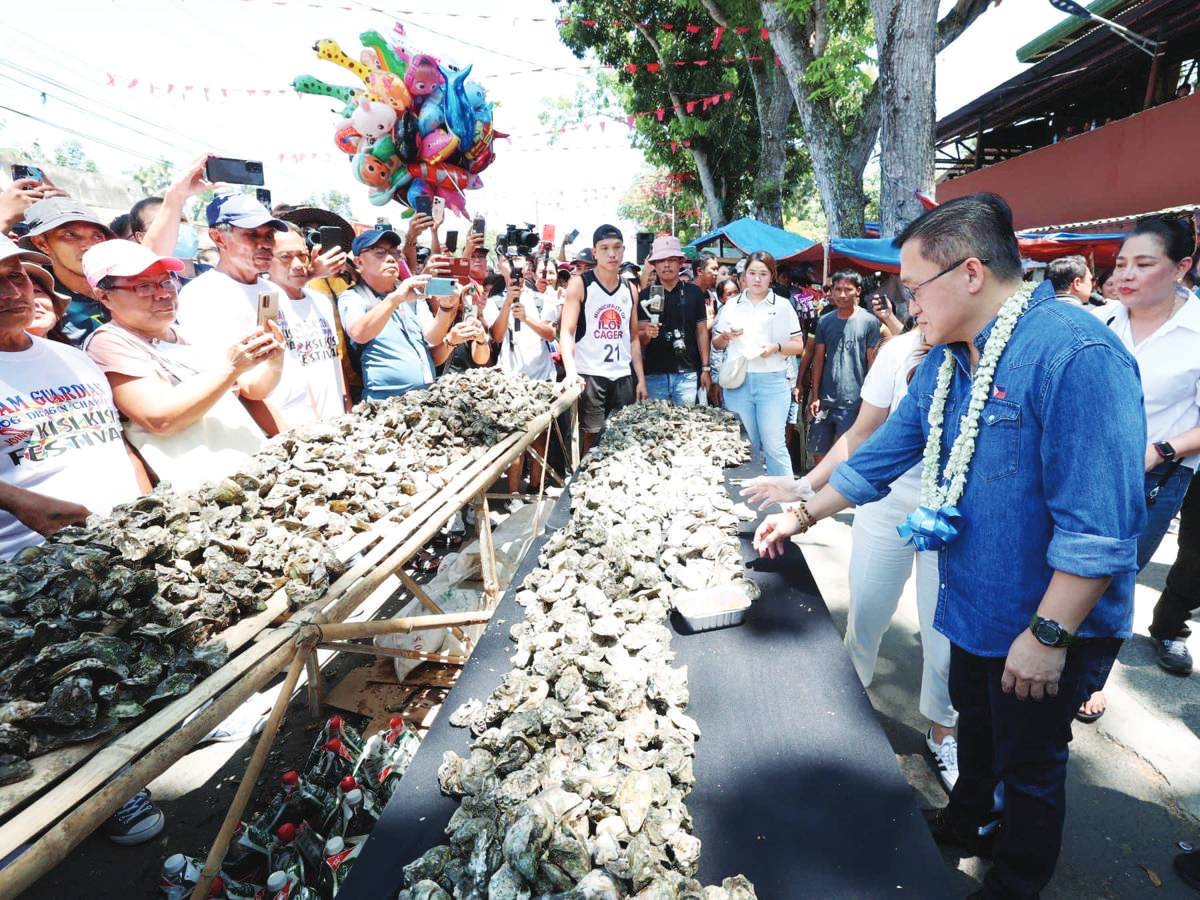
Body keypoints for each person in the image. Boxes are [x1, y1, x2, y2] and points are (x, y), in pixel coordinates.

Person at [753, 193, 1145, 899]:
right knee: (980, 739)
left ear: (970, 273)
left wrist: (1048, 635)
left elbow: (1101, 529)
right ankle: (966, 825)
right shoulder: (946, 360)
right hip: (974, 606)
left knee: (1031, 767)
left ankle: (1015, 882)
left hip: (1043, 622)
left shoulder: (1077, 353)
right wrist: (805, 512)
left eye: (912, 288)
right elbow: (885, 453)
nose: (905, 305)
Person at [742, 322, 960, 790]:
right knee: (867, 612)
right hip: (886, 503)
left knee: (945, 635)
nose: (917, 305)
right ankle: (845, 706)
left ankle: (943, 729)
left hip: (957, 515)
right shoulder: (899, 353)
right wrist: (805, 489)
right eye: (913, 291)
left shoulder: (990, 352)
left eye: (923, 286)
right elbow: (865, 436)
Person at [0, 234, 167, 846]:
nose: (13, 290)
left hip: (111, 543)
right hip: (21, 566)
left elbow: (111, 438)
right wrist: (14, 498)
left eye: (19, 276)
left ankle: (145, 750)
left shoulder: (66, 357)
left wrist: (149, 504)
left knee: (124, 655)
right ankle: (109, 791)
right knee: (60, 683)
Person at [1073, 217, 1200, 722]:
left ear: (1181, 267)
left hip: (1153, 480)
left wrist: (1163, 450)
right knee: (1068, 568)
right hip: (1081, 468)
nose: (1126, 275)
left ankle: (1090, 679)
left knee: (1112, 580)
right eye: (1121, 263)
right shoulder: (1099, 321)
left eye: (1144, 264)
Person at [83, 240, 285, 492]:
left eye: (166, 281)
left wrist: (274, 361)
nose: (163, 293)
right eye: (143, 286)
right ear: (104, 296)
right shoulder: (109, 343)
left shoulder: (188, 334)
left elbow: (251, 390)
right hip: (200, 494)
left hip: (249, 474)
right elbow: (160, 419)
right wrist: (230, 368)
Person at [175, 194, 319, 431]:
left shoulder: (273, 290)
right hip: (269, 435)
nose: (264, 244)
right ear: (218, 237)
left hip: (306, 424)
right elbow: (241, 388)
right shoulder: (203, 296)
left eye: (269, 235)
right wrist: (285, 439)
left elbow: (295, 364)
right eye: (251, 234)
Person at [711, 252, 804, 475]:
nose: (757, 279)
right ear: (744, 276)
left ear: (771, 276)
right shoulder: (731, 306)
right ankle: (750, 501)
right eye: (752, 273)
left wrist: (776, 347)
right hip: (739, 382)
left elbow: (798, 345)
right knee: (745, 445)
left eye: (763, 274)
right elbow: (716, 343)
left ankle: (785, 499)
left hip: (772, 382)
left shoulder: (782, 306)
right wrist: (725, 336)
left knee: (774, 445)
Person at [559, 225, 647, 450]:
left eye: (617, 248)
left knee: (623, 436)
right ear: (594, 252)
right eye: (605, 248)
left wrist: (641, 379)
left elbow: (633, 338)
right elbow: (566, 332)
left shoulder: (630, 289)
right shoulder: (580, 283)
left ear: (623, 250)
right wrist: (571, 372)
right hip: (591, 374)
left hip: (622, 375)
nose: (612, 253)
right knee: (591, 439)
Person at [337, 227, 451, 401]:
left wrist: (446, 308)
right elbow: (358, 333)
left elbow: (432, 338)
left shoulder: (409, 292)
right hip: (385, 403)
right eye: (380, 253)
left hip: (425, 398)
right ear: (359, 262)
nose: (390, 258)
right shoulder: (353, 297)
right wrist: (396, 298)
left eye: (395, 253)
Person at [265, 225, 353, 419]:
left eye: (302, 256)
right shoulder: (264, 305)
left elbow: (334, 356)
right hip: (292, 427)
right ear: (266, 260)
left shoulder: (320, 300)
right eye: (285, 257)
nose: (297, 264)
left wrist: (347, 403)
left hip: (336, 420)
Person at [802, 270, 881, 464]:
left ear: (858, 291)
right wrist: (815, 396)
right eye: (838, 289)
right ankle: (821, 490)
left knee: (845, 453)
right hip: (825, 400)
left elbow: (871, 361)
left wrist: (869, 398)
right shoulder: (824, 321)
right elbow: (818, 359)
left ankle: (836, 493)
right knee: (818, 452)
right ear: (831, 291)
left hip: (853, 400)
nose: (842, 295)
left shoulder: (869, 322)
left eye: (848, 289)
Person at [20, 197, 114, 344]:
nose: (88, 245)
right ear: (41, 243)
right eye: (70, 235)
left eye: (97, 236)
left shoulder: (130, 286)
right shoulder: (39, 306)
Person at [636, 235, 710, 406]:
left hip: (688, 374)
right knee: (657, 428)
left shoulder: (694, 293)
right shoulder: (646, 296)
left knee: (687, 426)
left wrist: (705, 368)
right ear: (654, 264)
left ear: (680, 262)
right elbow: (639, 341)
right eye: (661, 260)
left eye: (672, 259)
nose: (666, 265)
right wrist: (647, 333)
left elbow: (701, 331)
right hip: (654, 374)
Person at [707, 276, 739, 407]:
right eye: (729, 294)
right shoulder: (723, 315)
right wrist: (717, 380)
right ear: (721, 298)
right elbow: (716, 350)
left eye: (736, 292)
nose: (734, 296)